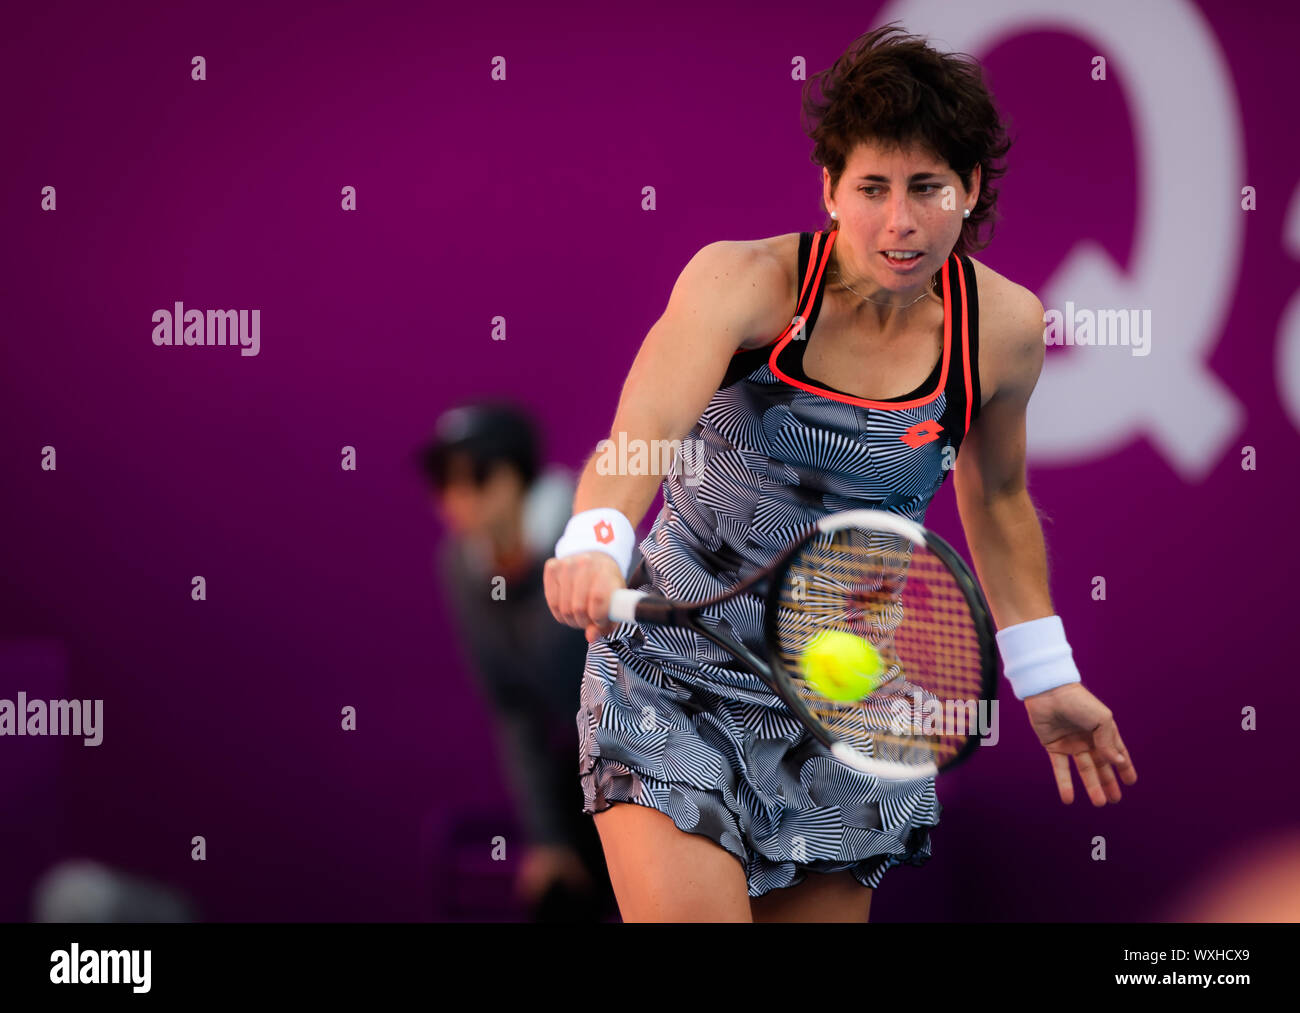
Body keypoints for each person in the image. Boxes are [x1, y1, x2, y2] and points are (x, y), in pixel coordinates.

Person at [543, 23, 1138, 922]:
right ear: (830, 189)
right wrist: (596, 536)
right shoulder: (743, 285)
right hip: (672, 674)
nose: (898, 223)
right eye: (872, 188)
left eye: (928, 188)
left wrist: (1045, 672)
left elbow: (999, 496)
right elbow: (643, 432)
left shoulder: (1002, 329)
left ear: (971, 192)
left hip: (851, 700)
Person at [420, 402, 617, 921]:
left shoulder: (592, 547)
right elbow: (514, 711)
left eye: (478, 476)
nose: (457, 498)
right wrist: (547, 838)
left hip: (660, 759)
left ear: (516, 477)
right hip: (576, 782)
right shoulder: (460, 569)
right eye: (443, 479)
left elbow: (642, 683)